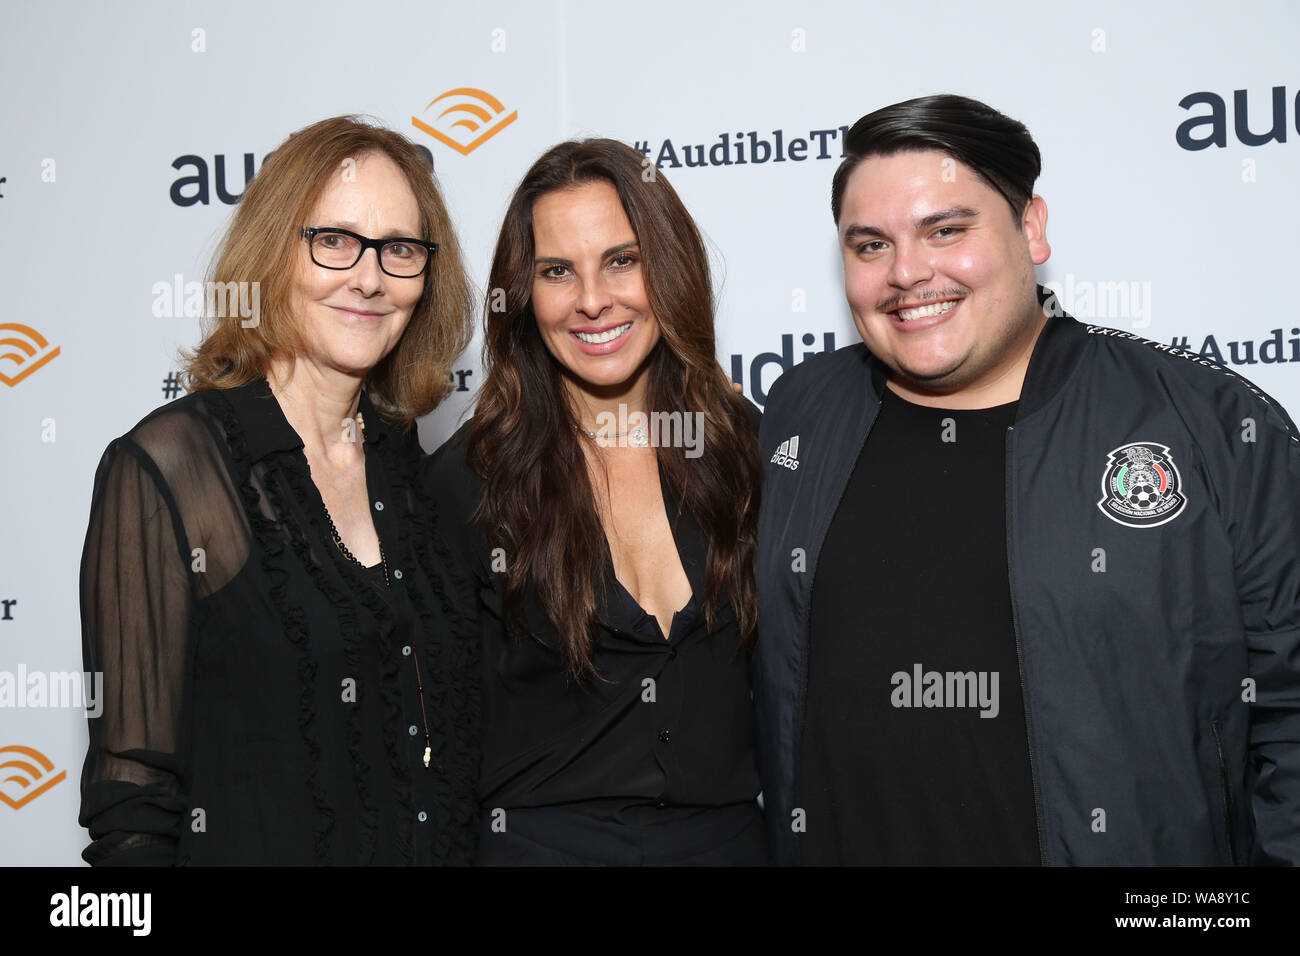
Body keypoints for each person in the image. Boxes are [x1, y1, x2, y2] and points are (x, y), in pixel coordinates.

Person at [754, 94, 1300, 866]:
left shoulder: (1207, 421)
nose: (908, 272)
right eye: (870, 245)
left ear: (1032, 228)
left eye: (946, 230)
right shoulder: (799, 415)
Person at [78, 116, 480, 865]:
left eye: (399, 249)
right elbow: (132, 816)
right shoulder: (171, 468)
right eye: (333, 240)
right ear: (271, 252)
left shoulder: (410, 468)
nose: (369, 277)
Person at [426, 138, 766, 866]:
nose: (591, 299)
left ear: (667, 267)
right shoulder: (468, 483)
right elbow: (437, 743)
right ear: (523, 294)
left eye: (621, 259)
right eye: (556, 271)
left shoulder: (748, 453)